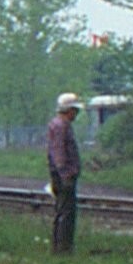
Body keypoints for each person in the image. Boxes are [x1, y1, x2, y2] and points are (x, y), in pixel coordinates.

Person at [45, 92, 82, 254]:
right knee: (66, 212)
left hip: (61, 173)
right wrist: (65, 173)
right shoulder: (61, 126)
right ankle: (63, 248)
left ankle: (60, 246)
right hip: (63, 175)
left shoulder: (59, 124)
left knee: (63, 210)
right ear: (69, 110)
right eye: (75, 110)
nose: (77, 114)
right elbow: (59, 151)